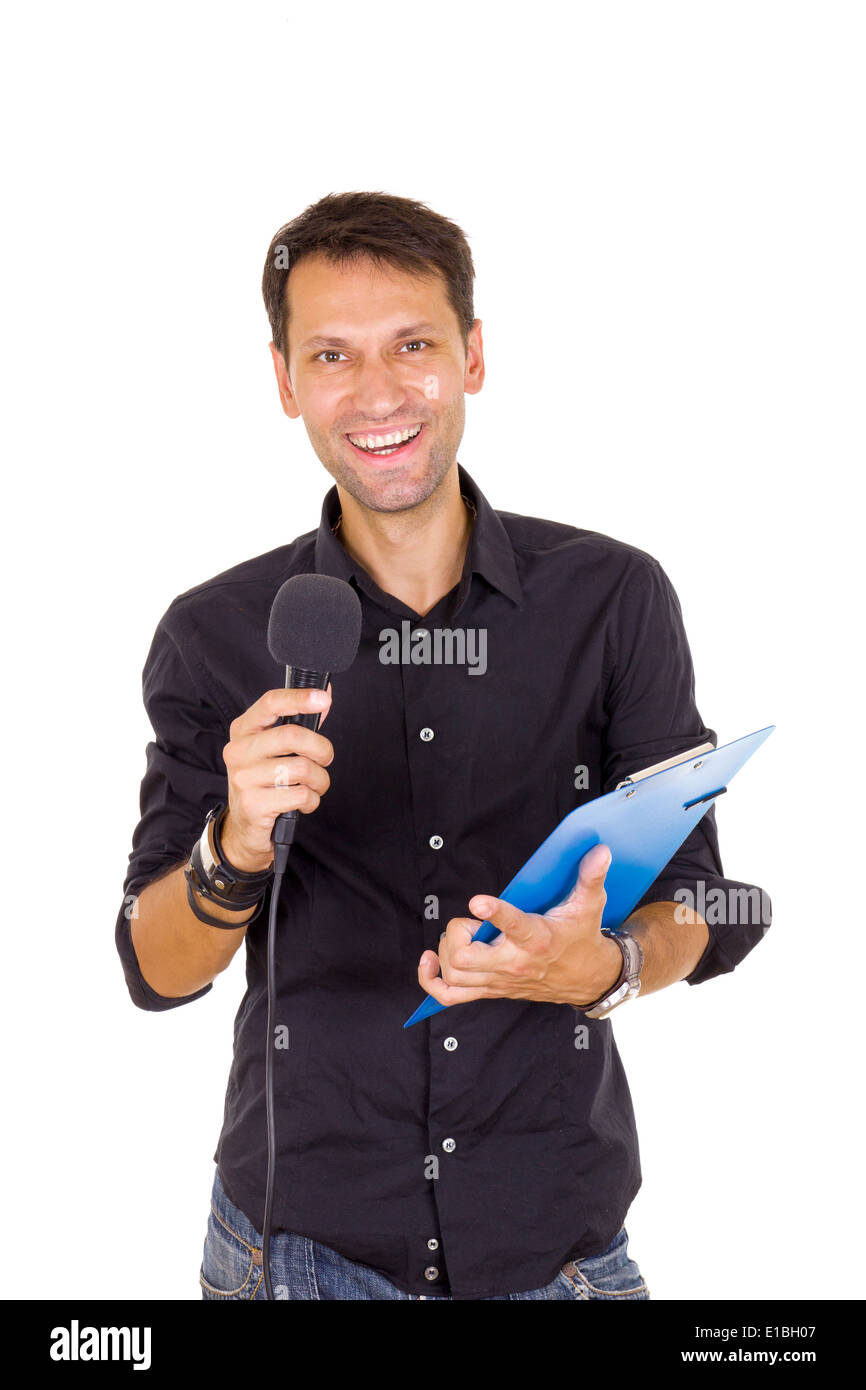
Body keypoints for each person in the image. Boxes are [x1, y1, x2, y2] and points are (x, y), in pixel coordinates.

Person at [115, 190, 771, 1301]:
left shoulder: (610, 598)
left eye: (411, 345)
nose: (376, 394)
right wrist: (234, 845)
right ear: (284, 381)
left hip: (555, 1246)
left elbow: (713, 906)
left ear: (471, 355)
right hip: (297, 1253)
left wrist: (603, 966)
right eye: (331, 354)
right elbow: (153, 967)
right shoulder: (215, 633)